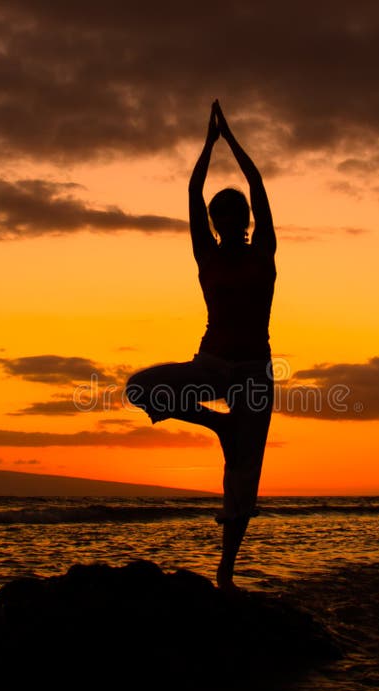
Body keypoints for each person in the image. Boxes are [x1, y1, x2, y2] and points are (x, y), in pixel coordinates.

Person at [126, 100, 276, 592]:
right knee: (140, 388)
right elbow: (192, 191)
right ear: (214, 222)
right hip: (211, 365)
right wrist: (208, 146)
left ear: (245, 220)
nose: (228, 221)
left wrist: (233, 141)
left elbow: (258, 186)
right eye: (221, 216)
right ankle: (218, 425)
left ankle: (225, 573)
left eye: (235, 215)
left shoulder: (264, 253)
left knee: (243, 479)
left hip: (254, 372)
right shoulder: (206, 254)